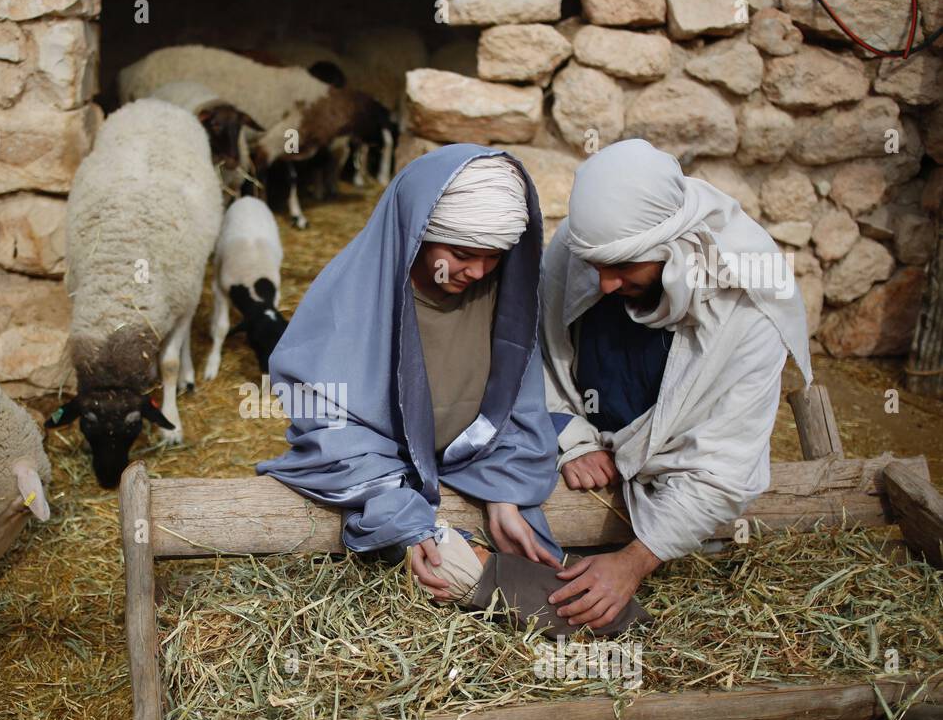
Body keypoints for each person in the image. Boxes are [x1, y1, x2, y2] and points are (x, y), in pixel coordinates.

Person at [256, 144, 562, 596]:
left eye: (493, 256)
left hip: (471, 472)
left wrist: (504, 494)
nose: (477, 272)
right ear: (417, 232)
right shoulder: (350, 300)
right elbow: (329, 427)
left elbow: (516, 405)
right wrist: (400, 514)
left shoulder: (500, 297)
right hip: (377, 476)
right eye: (460, 253)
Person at [538, 138, 813, 630]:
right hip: (577, 474)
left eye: (623, 267)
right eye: (597, 266)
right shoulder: (584, 247)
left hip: (681, 516)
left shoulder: (748, 302)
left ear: (676, 246)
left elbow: (725, 463)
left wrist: (632, 563)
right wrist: (568, 434)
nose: (603, 283)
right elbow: (539, 351)